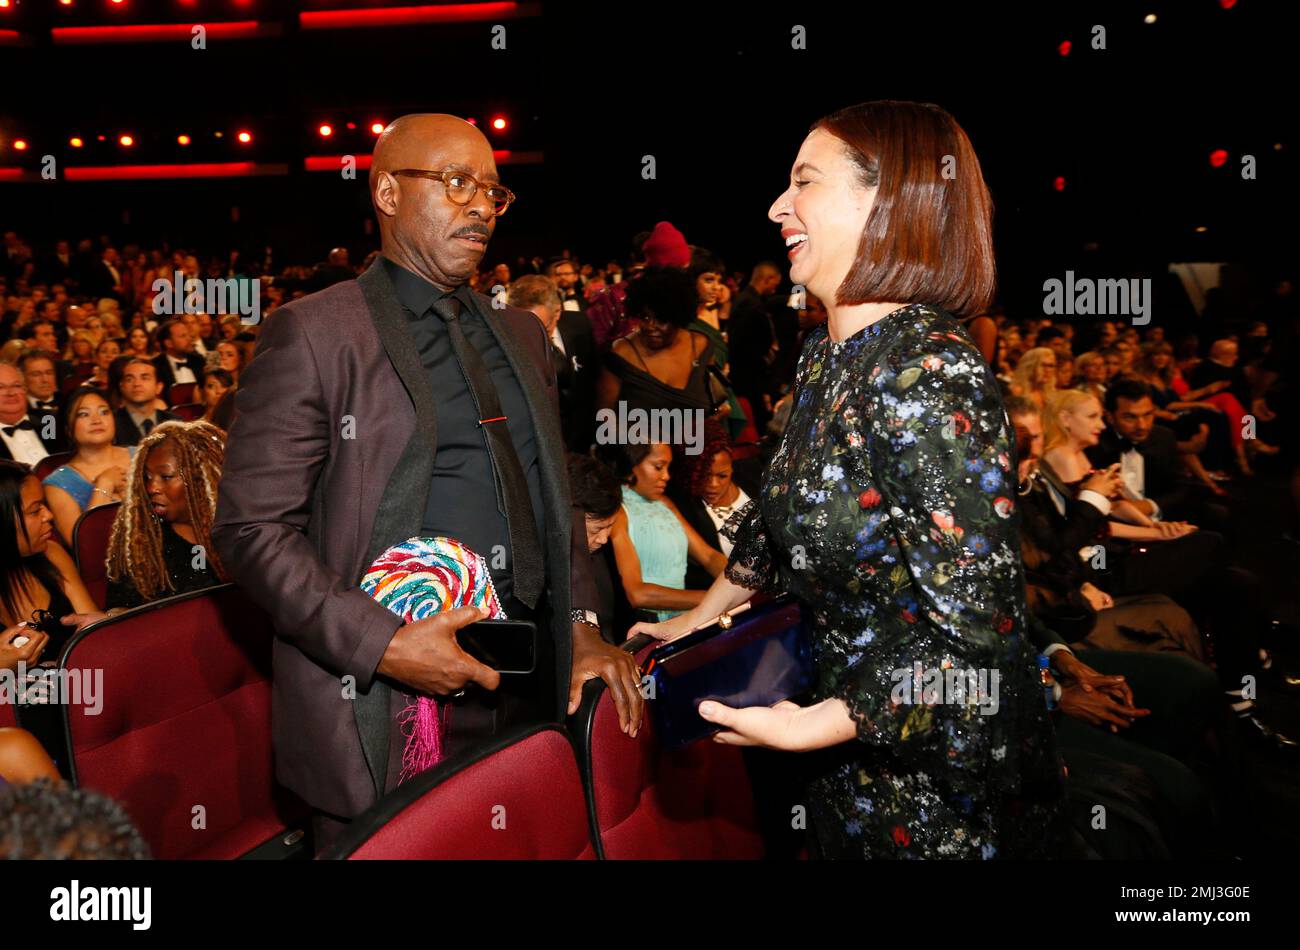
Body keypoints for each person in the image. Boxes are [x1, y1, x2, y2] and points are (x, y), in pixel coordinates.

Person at [631, 100, 1067, 858]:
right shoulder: (828, 357)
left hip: (935, 798)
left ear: (888, 204)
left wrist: (812, 725)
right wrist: (700, 618)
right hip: (848, 763)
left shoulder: (927, 375)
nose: (777, 206)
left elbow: (977, 656)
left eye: (805, 182)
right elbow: (776, 521)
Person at [211, 114, 641, 854]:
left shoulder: (522, 335)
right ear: (384, 190)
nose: (480, 205)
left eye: (493, 191)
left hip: (529, 686)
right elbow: (250, 530)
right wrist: (383, 644)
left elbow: (554, 495)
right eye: (456, 183)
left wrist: (584, 628)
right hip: (384, 702)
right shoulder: (314, 334)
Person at [600, 441, 726, 622]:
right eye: (658, 467)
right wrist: (714, 598)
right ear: (631, 465)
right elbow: (637, 594)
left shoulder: (664, 502)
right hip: (649, 622)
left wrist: (743, 581)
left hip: (686, 614)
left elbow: (708, 556)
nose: (666, 476)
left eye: (668, 467)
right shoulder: (618, 511)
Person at [0, 460, 99, 661]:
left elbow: (96, 635)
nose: (49, 515)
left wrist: (109, 618)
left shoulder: (51, 554)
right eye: (35, 510)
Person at [42, 389, 134, 545]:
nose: (97, 420)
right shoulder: (57, 483)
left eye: (104, 412)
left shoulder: (142, 454)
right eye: (83, 414)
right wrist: (104, 485)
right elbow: (82, 546)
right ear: (68, 429)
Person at [112, 358, 179, 447]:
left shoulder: (174, 423)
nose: (137, 384)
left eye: (144, 378)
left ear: (158, 387)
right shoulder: (111, 423)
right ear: (122, 387)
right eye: (129, 379)